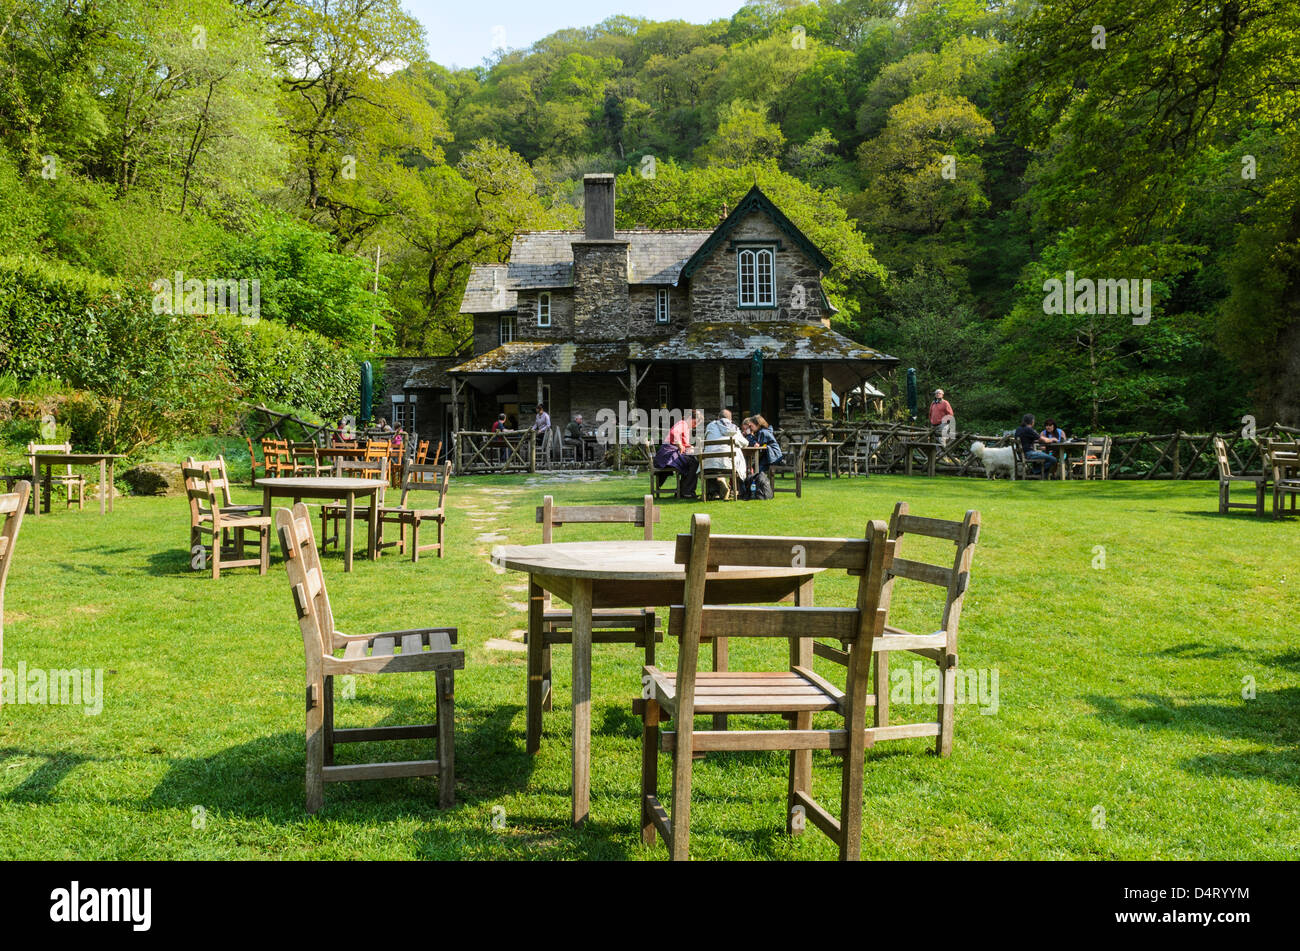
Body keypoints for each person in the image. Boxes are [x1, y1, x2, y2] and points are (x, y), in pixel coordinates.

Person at [653, 410, 701, 499]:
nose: (695, 426)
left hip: (670, 454)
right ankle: (686, 492)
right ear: (690, 418)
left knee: (692, 461)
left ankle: (683, 491)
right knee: (694, 463)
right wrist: (679, 444)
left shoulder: (685, 426)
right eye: (695, 423)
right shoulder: (683, 424)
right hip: (668, 455)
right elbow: (674, 432)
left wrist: (691, 448)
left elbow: (685, 444)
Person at [701, 410, 748, 498]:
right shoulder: (733, 428)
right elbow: (745, 443)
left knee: (713, 462)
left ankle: (714, 493)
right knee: (736, 461)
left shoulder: (710, 426)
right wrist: (736, 442)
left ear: (718, 418)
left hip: (709, 463)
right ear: (730, 419)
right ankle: (736, 490)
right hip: (729, 464)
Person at [741, 414, 782, 499]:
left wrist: (748, 434)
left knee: (756, 471)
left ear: (757, 424)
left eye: (751, 426)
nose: (750, 428)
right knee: (753, 469)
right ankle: (754, 491)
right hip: (768, 456)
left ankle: (759, 492)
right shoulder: (761, 432)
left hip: (772, 457)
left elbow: (756, 444)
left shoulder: (763, 432)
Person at [1015, 413, 1056, 478]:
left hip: (1021, 454)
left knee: (1044, 459)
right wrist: (1053, 439)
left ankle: (1040, 476)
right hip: (1028, 454)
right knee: (1053, 459)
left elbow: (1030, 439)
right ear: (1032, 421)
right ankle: (1035, 471)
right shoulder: (1028, 429)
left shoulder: (1019, 429)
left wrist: (1039, 439)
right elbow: (1045, 440)